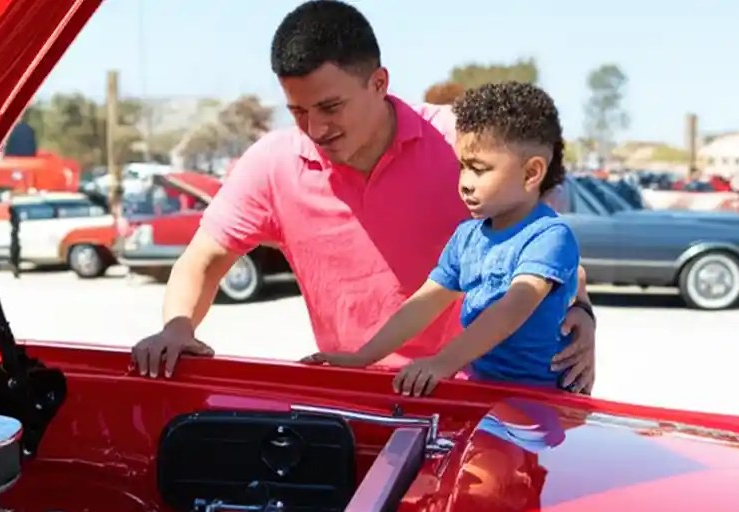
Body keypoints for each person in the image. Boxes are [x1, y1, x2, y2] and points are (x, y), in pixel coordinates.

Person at [128, 0, 598, 393]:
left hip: (474, 397)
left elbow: (539, 238)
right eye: (297, 110)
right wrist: (178, 328)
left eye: (331, 107)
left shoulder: (467, 143)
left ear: (379, 83)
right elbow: (202, 260)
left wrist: (580, 310)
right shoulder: (270, 164)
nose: (315, 128)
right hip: (353, 394)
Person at [300, 82, 580, 397]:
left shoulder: (549, 236)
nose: (465, 183)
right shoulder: (467, 237)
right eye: (462, 167)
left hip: (542, 403)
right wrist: (362, 357)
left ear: (531, 173)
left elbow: (511, 308)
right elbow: (424, 302)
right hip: (484, 395)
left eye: (479, 169)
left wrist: (442, 363)